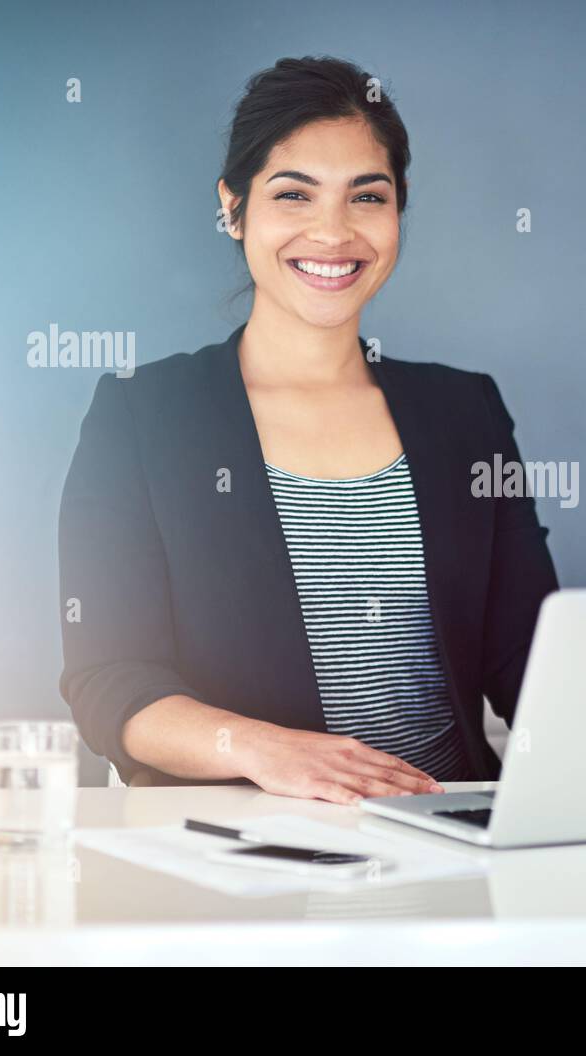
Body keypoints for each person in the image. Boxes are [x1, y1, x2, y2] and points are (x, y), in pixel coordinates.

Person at [57, 56, 559, 803]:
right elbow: (107, 677)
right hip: (245, 845)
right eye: (294, 194)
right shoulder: (142, 415)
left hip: (446, 833)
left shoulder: (466, 412)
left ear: (399, 208)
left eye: (367, 196)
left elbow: (531, 662)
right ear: (233, 208)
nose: (333, 232)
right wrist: (266, 750)